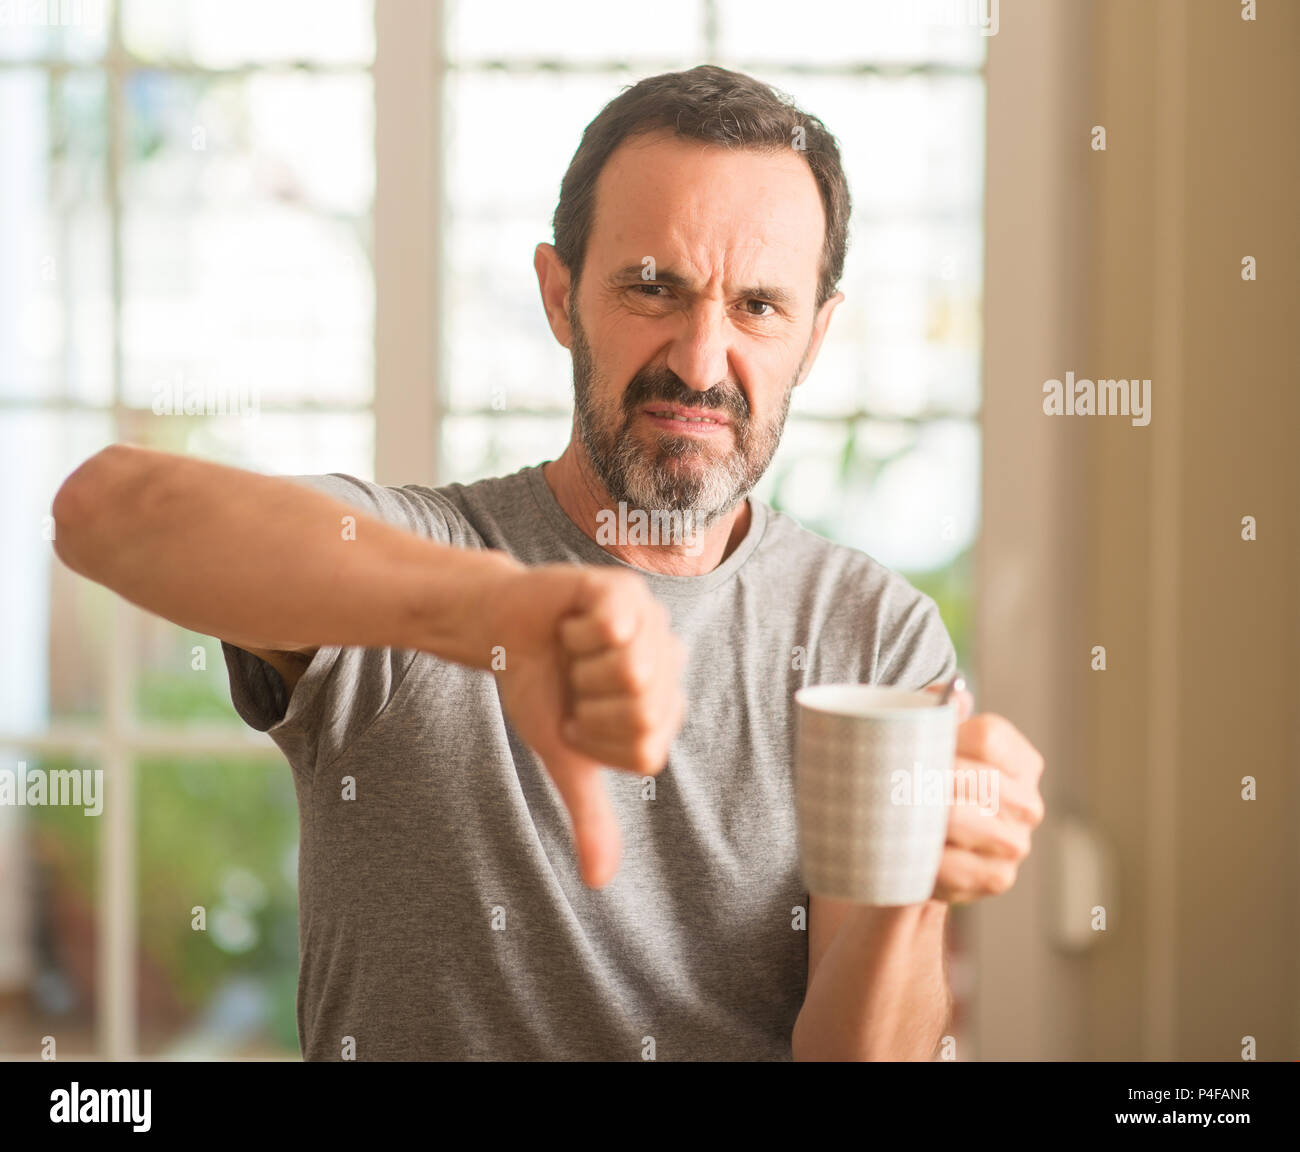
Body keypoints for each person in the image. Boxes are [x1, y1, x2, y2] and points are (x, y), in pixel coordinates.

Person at [52, 65, 1044, 1061]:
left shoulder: (871, 637)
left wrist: (907, 891)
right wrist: (489, 611)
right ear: (559, 295)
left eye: (756, 307)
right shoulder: (419, 563)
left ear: (815, 336)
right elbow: (105, 512)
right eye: (654, 288)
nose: (700, 362)